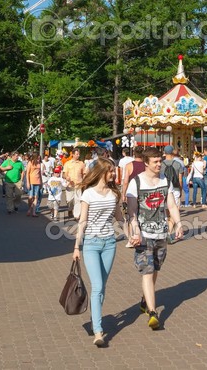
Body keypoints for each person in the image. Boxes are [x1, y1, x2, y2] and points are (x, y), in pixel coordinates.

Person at [126, 147, 184, 330]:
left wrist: (179, 224)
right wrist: (135, 232)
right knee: (147, 271)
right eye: (156, 162)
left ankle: (145, 299)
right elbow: (132, 212)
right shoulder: (135, 183)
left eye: (160, 161)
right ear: (146, 163)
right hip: (143, 235)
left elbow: (171, 205)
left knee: (156, 267)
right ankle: (152, 312)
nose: (160, 164)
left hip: (161, 233)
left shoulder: (165, 180)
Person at [73, 158, 125, 348]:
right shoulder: (88, 194)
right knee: (96, 286)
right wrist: (76, 247)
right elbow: (83, 222)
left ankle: (95, 315)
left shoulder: (113, 194)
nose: (113, 174)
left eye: (114, 171)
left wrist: (132, 235)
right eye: (110, 171)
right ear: (102, 171)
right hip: (91, 245)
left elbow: (120, 218)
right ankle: (98, 331)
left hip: (110, 243)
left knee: (102, 286)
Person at [62, 148, 86, 218]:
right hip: (70, 185)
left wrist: (84, 182)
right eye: (76, 154)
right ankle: (70, 209)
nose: (78, 155)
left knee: (78, 200)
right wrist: (66, 177)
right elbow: (64, 174)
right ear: (72, 154)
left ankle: (76, 215)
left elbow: (84, 173)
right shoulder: (67, 163)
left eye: (79, 154)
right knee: (69, 200)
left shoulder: (81, 163)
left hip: (78, 184)